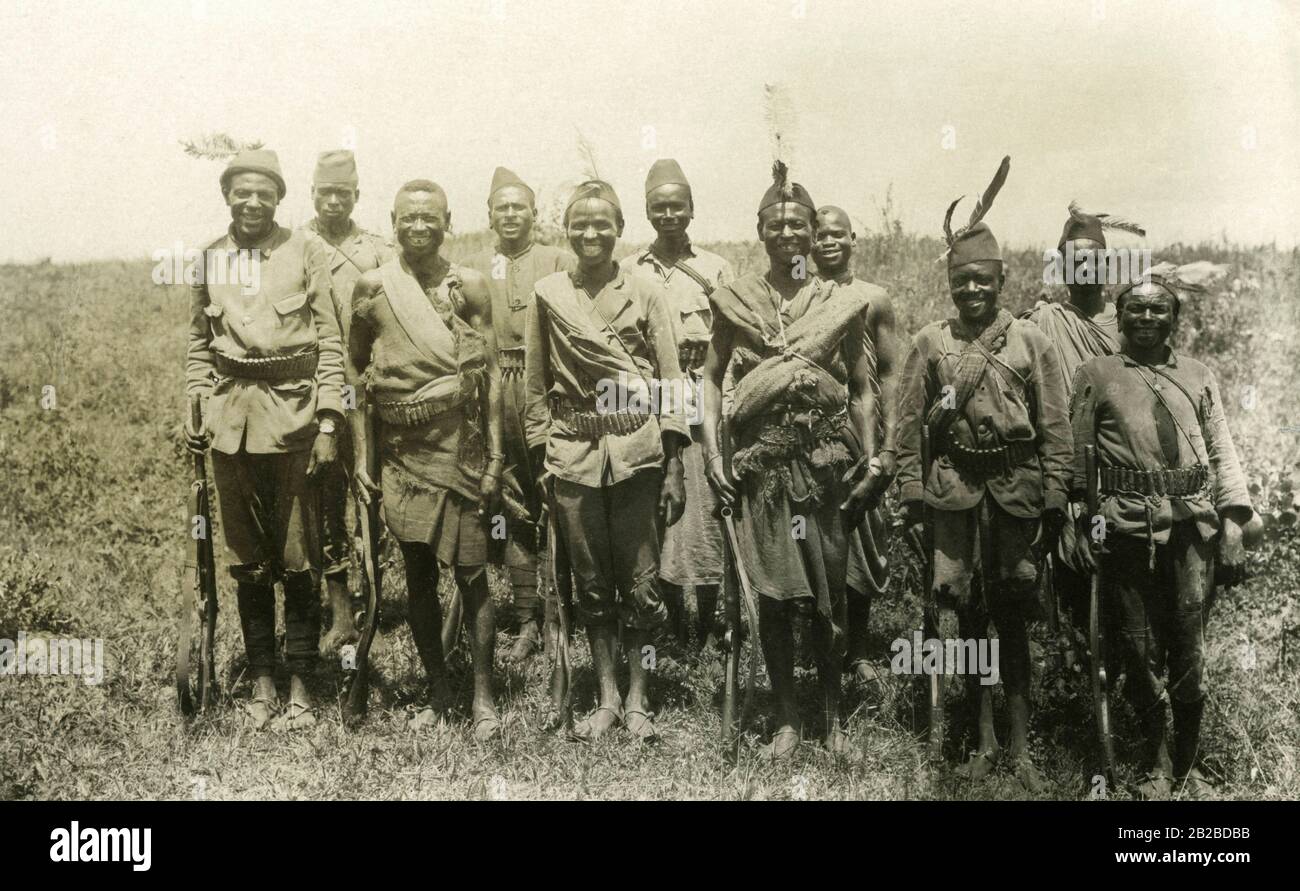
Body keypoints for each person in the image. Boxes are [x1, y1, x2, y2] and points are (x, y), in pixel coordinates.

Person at [896, 157, 1071, 790]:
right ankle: (977, 736)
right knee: (963, 615)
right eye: (961, 281)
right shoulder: (928, 344)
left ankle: (1019, 746)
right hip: (954, 496)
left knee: (1014, 611)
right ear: (950, 284)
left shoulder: (1031, 344)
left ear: (1002, 279)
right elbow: (907, 425)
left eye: (983, 280)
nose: (972, 291)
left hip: (1017, 497)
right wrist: (914, 493)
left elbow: (1055, 428)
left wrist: (1056, 496)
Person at [700, 163, 880, 760]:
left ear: (811, 231)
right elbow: (708, 378)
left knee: (827, 594)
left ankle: (831, 720)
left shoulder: (839, 302)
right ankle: (784, 719)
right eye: (775, 224)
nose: (787, 234)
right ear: (759, 231)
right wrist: (711, 453)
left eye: (798, 224)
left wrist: (871, 460)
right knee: (775, 597)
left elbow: (859, 387)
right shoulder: (737, 301)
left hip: (827, 465)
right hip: (763, 466)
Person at [1070, 274, 1251, 799]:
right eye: (1136, 311)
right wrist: (1082, 525)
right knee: (1138, 647)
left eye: (1158, 311)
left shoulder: (1198, 375)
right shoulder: (1095, 374)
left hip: (1193, 530)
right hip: (1124, 532)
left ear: (1175, 319)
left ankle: (1189, 766)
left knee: (1189, 648)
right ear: (1119, 317)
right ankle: (1155, 762)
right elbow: (1078, 468)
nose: (1147, 319)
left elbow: (1223, 452)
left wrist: (1233, 524)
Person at [523, 179, 689, 742]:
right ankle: (607, 697)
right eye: (579, 224)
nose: (590, 233)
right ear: (565, 230)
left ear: (620, 230)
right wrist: (543, 458)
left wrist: (673, 465)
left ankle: (640, 699)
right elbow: (535, 386)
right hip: (571, 454)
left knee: (640, 582)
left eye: (602, 224)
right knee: (591, 584)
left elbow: (671, 381)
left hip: (638, 453)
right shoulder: (547, 293)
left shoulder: (645, 290)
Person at [184, 148, 344, 731]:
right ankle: (261, 682)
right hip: (229, 426)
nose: (252, 203)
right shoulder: (208, 258)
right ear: (227, 195)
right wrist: (196, 407)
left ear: (279, 197)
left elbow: (330, 342)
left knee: (299, 558)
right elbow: (199, 345)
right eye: (241, 192)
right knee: (248, 561)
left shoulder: (307, 251)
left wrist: (329, 421)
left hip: (295, 421)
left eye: (264, 193)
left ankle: (302, 682)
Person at [347, 180, 504, 741]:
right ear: (392, 221)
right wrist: (363, 455)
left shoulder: (472, 286)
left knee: (472, 574)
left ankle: (483, 697)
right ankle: (439, 690)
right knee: (416, 576)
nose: (418, 227)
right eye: (408, 218)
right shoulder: (372, 286)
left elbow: (489, 379)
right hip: (400, 453)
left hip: (458, 447)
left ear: (448, 221)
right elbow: (355, 377)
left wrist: (494, 456)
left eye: (429, 218)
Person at [620, 159, 735, 654]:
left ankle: (707, 626)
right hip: (650, 403)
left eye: (677, 206)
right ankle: (666, 623)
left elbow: (735, 340)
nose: (669, 215)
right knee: (661, 512)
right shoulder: (628, 270)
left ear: (691, 209)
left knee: (707, 514)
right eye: (658, 206)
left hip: (701, 399)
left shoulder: (716, 269)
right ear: (646, 212)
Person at [463, 167, 573, 665]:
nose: (510, 215)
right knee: (509, 507)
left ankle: (561, 616)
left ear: (534, 213)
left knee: (555, 497)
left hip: (545, 385)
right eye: (500, 208)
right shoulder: (472, 270)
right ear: (489, 216)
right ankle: (527, 618)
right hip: (493, 388)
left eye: (519, 207)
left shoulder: (559, 261)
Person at [1025, 204, 1138, 641]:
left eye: (1093, 257)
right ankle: (1072, 682)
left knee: (1125, 592)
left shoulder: (1129, 324)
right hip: (1066, 475)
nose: (1085, 266)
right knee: (1072, 592)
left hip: (1123, 475)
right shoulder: (1044, 321)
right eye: (1074, 258)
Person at [299, 149, 393, 654]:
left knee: (371, 490)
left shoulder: (378, 250)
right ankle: (337, 608)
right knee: (324, 498)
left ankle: (372, 597)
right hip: (312, 391)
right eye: (325, 193)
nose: (333, 201)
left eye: (343, 193)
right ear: (312, 193)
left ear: (356, 195)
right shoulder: (295, 246)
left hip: (371, 391)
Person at [812, 205, 899, 684]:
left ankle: (859, 647)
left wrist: (887, 448)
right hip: (815, 429)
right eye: (820, 235)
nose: (827, 243)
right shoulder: (799, 298)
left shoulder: (874, 298)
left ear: (853, 239)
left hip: (861, 426)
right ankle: (824, 641)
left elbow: (888, 373)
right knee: (818, 535)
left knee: (866, 534)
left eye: (837, 234)